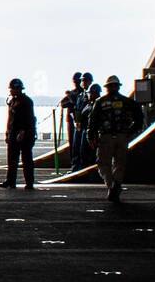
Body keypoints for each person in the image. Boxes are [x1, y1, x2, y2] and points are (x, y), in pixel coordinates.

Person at [89, 75, 144, 203]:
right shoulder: (127, 102)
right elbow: (139, 118)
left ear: (106, 87)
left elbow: (92, 122)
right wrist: (130, 131)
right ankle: (116, 184)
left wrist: (91, 137)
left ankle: (111, 185)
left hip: (106, 137)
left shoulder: (100, 102)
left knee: (103, 163)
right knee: (120, 163)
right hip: (122, 136)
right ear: (118, 86)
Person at [0, 78, 37, 189]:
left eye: (12, 89)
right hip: (13, 133)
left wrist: (23, 131)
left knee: (27, 159)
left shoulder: (26, 101)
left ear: (17, 89)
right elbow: (10, 119)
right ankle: (11, 181)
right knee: (12, 159)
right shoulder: (12, 101)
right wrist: (7, 133)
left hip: (25, 134)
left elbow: (29, 119)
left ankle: (29, 183)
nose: (10, 91)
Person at [60, 71, 87, 171]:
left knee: (79, 144)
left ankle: (79, 164)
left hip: (79, 121)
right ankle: (74, 164)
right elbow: (63, 104)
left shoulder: (82, 93)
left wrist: (71, 98)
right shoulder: (74, 92)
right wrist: (70, 98)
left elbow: (76, 103)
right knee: (73, 143)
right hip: (71, 121)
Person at [76, 80, 103, 167]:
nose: (89, 95)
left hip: (94, 133)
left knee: (91, 154)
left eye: (91, 93)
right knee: (83, 153)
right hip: (86, 131)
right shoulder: (89, 104)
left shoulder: (99, 105)